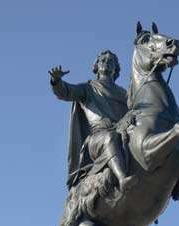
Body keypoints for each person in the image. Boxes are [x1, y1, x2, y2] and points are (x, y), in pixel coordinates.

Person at [49, 50, 137, 191]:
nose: (106, 63)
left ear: (116, 68)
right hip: (99, 136)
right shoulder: (88, 88)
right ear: (96, 66)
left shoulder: (124, 93)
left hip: (123, 131)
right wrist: (56, 81)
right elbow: (65, 92)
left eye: (110, 61)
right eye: (102, 60)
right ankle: (122, 179)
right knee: (110, 137)